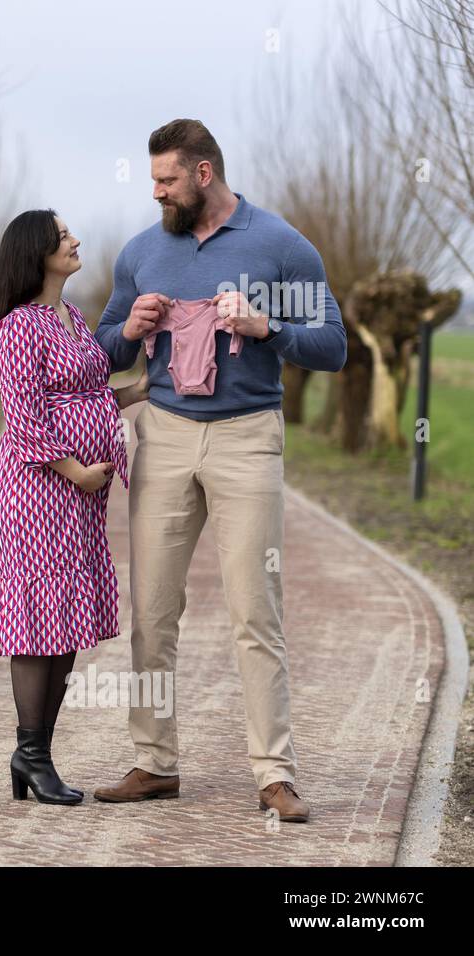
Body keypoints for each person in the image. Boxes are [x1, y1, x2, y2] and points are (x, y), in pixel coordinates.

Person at [92, 119, 347, 822]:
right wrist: (130, 330)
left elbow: (333, 347)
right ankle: (154, 763)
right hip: (165, 434)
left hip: (247, 438)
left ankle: (274, 774)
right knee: (152, 610)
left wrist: (269, 328)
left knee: (254, 610)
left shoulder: (281, 246)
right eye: (152, 181)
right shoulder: (143, 253)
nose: (156, 193)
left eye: (166, 180)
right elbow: (103, 352)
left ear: (203, 174)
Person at [0, 209, 148, 805]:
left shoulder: (74, 319)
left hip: (80, 498)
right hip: (37, 492)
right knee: (37, 621)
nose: (75, 241)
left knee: (67, 617)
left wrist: (142, 388)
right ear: (36, 254)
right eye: (62, 237)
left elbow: (92, 395)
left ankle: (36, 756)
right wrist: (75, 469)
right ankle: (30, 756)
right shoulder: (18, 328)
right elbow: (24, 419)